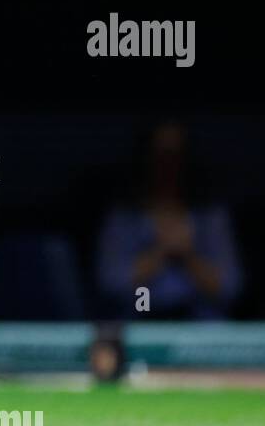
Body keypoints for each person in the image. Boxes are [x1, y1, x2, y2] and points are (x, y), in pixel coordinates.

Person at [96, 121, 241, 320]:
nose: (167, 164)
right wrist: (161, 252)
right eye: (160, 155)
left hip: (198, 327)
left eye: (175, 155)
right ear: (146, 158)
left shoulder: (209, 216)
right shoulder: (124, 216)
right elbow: (110, 284)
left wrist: (188, 256)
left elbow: (229, 288)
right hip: (140, 322)